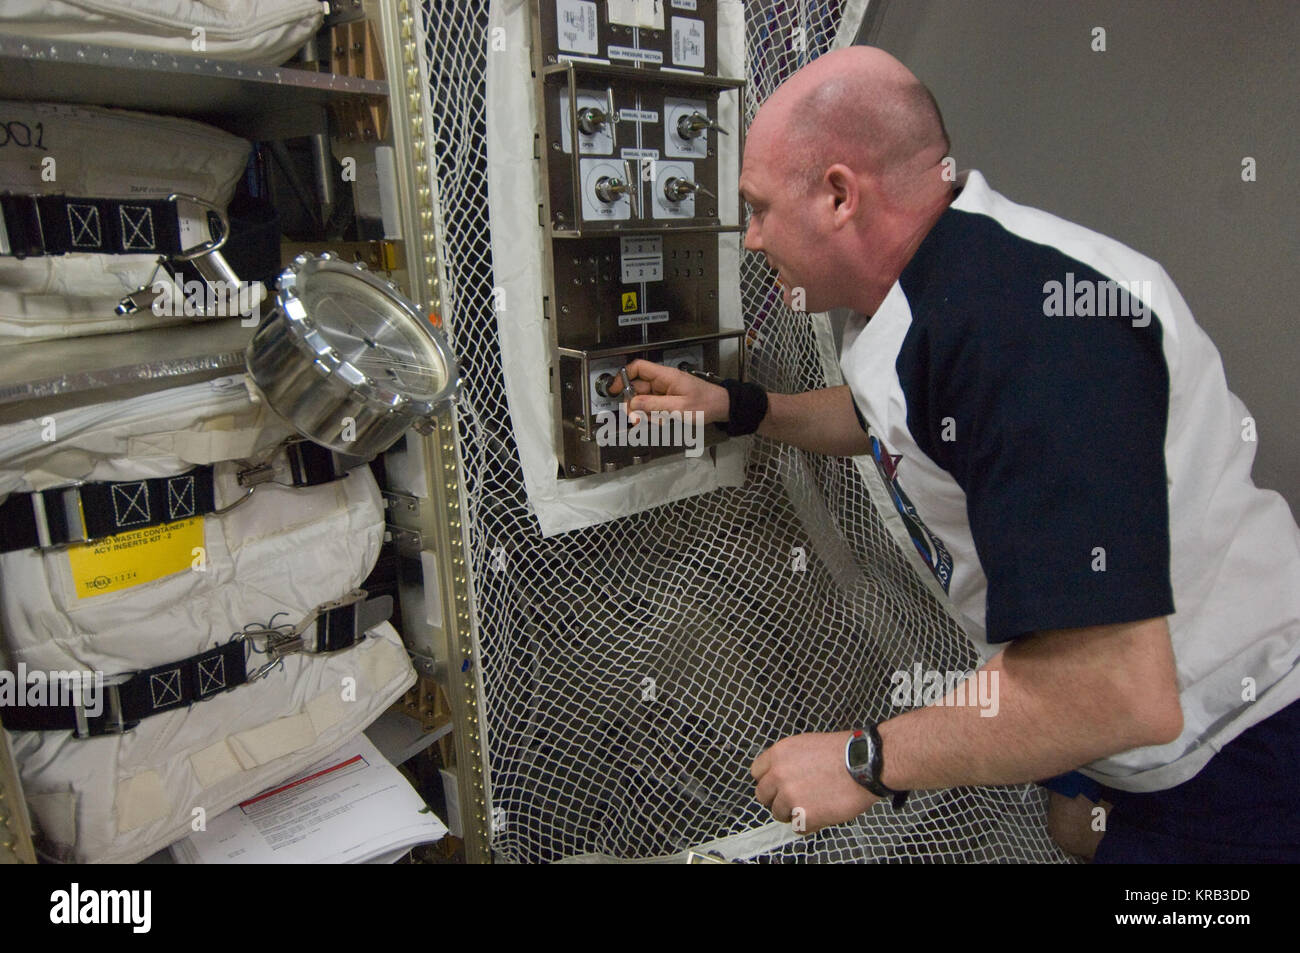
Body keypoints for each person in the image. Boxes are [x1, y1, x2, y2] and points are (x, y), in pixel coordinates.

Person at [613, 46, 1300, 863]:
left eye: (759, 208)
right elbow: (901, 421)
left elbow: (1116, 689)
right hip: (1130, 741)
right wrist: (740, 408)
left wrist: (861, 762)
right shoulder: (932, 289)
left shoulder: (1031, 331)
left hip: (1235, 753)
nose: (754, 238)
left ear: (839, 194)